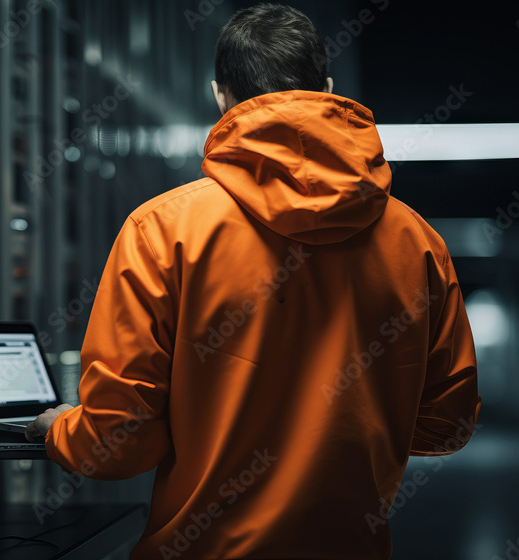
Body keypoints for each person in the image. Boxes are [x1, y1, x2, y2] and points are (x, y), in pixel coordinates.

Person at [25, 3, 481, 558]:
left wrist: (56, 429)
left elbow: (118, 445)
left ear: (220, 95)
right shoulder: (417, 242)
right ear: (329, 90)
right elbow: (447, 424)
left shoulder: (162, 231)